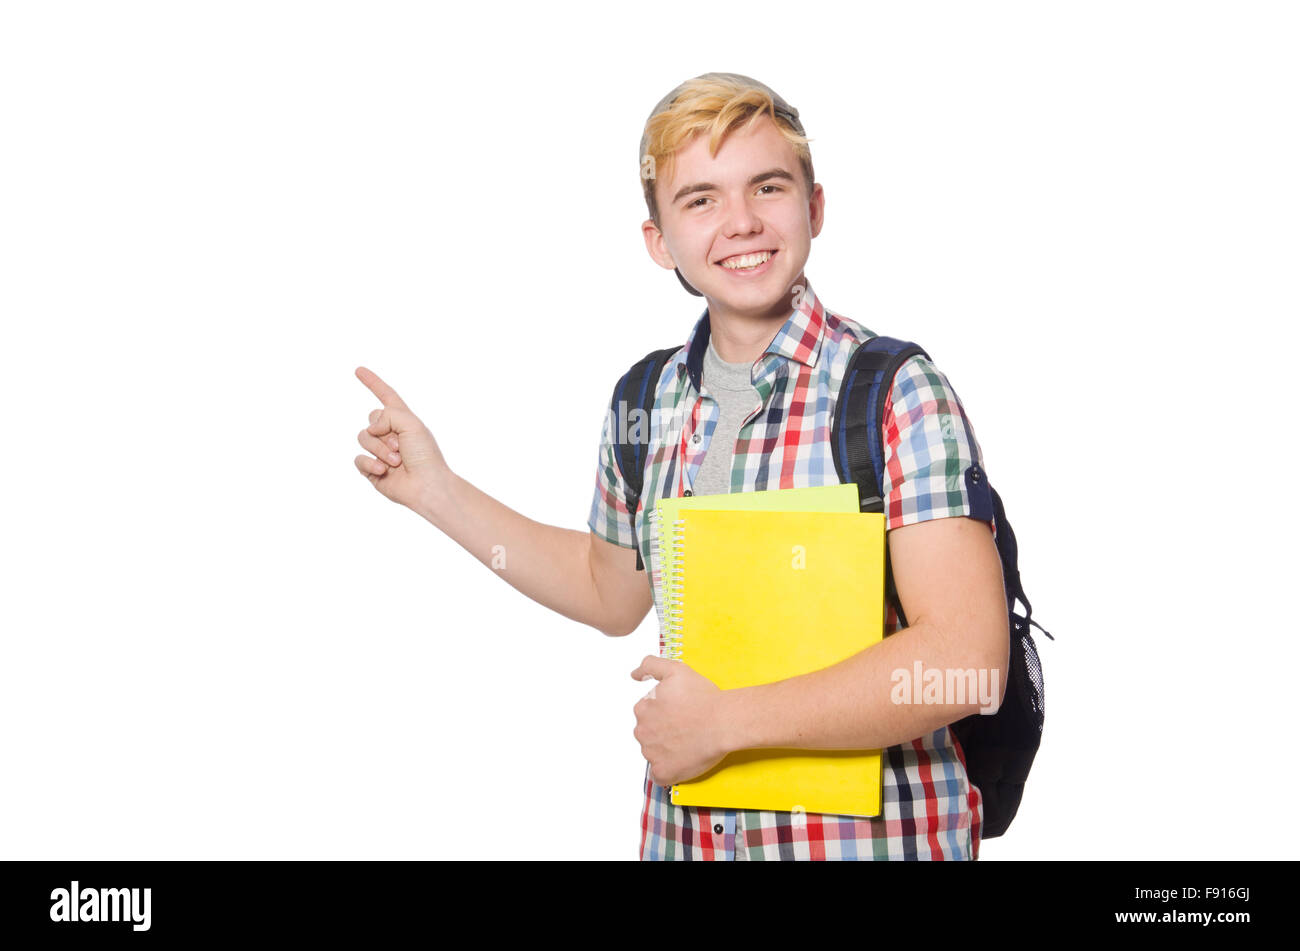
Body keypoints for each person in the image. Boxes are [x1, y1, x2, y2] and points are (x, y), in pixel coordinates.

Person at [354, 72, 1008, 861]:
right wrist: (438, 491)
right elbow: (608, 589)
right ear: (658, 239)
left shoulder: (893, 391)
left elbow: (967, 665)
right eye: (701, 199)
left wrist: (726, 724)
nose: (740, 222)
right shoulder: (647, 398)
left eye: (767, 187)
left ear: (815, 207)